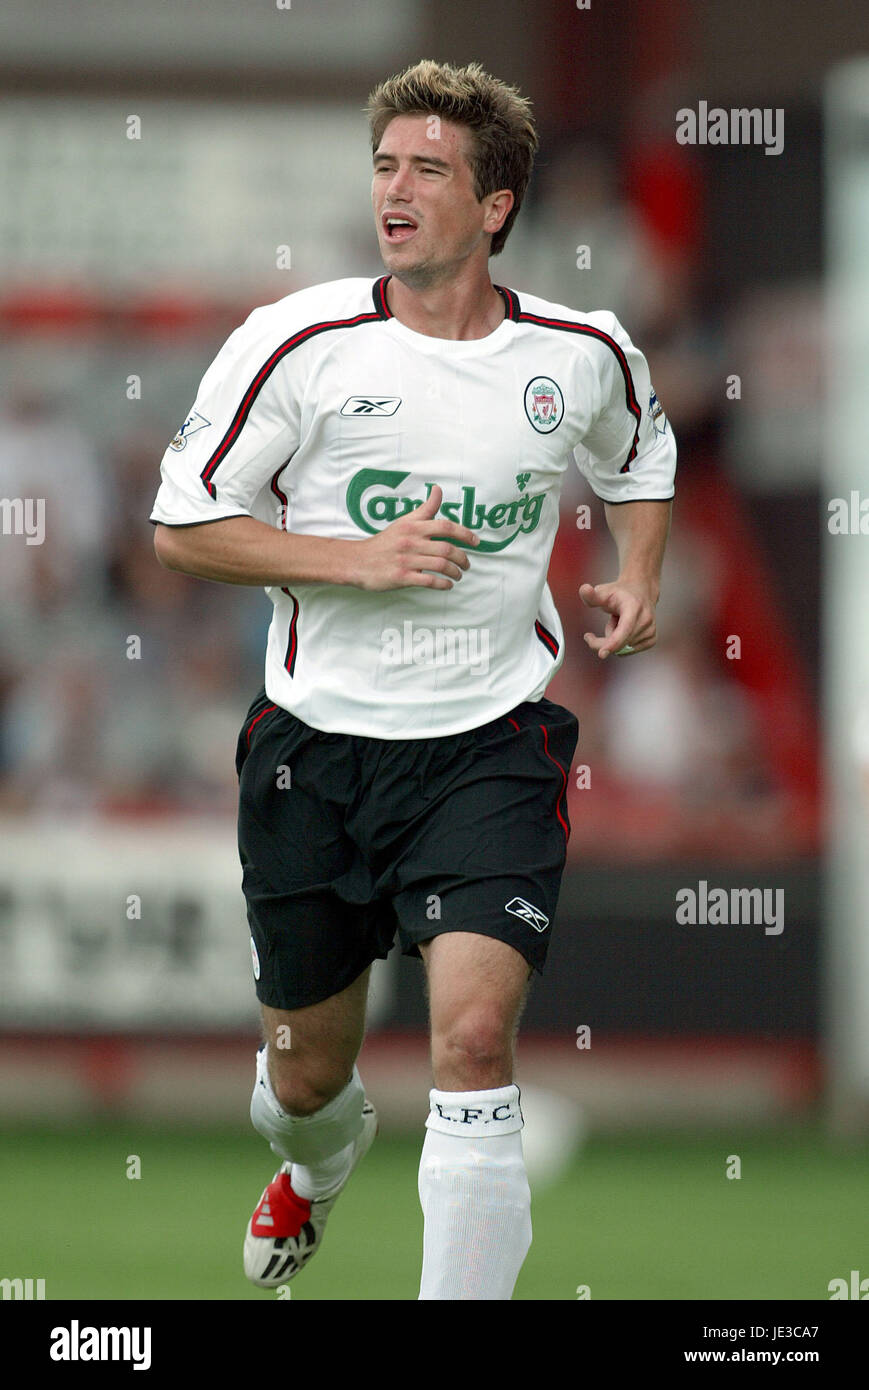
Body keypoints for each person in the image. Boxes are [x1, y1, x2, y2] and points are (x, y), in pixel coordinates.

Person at [150, 58, 675, 1301]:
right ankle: (315, 1166)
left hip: (489, 744)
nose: (394, 189)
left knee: (473, 1038)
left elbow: (638, 451)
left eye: (426, 169)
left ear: (494, 204)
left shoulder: (580, 350)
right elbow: (181, 528)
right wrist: (357, 559)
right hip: (313, 753)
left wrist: (638, 575)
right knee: (305, 1080)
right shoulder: (295, 344)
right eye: (384, 165)